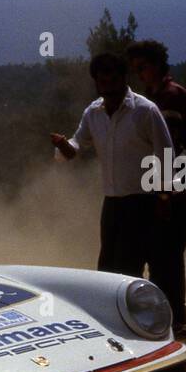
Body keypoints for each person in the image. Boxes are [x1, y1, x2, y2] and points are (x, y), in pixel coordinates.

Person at [50, 53, 172, 286]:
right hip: (112, 202)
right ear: (96, 82)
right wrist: (64, 146)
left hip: (141, 200)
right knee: (106, 269)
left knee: (129, 268)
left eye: (113, 80)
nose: (108, 87)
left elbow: (166, 154)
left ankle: (137, 317)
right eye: (102, 82)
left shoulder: (145, 110)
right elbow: (76, 145)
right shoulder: (93, 113)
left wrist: (165, 196)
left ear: (124, 79)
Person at [126, 39, 186, 327]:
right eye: (135, 70)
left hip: (170, 191)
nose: (139, 74)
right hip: (171, 189)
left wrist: (164, 196)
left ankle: (173, 321)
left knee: (165, 259)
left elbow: (167, 153)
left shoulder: (168, 98)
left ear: (157, 65)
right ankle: (172, 318)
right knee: (164, 258)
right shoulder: (163, 95)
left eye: (142, 68)